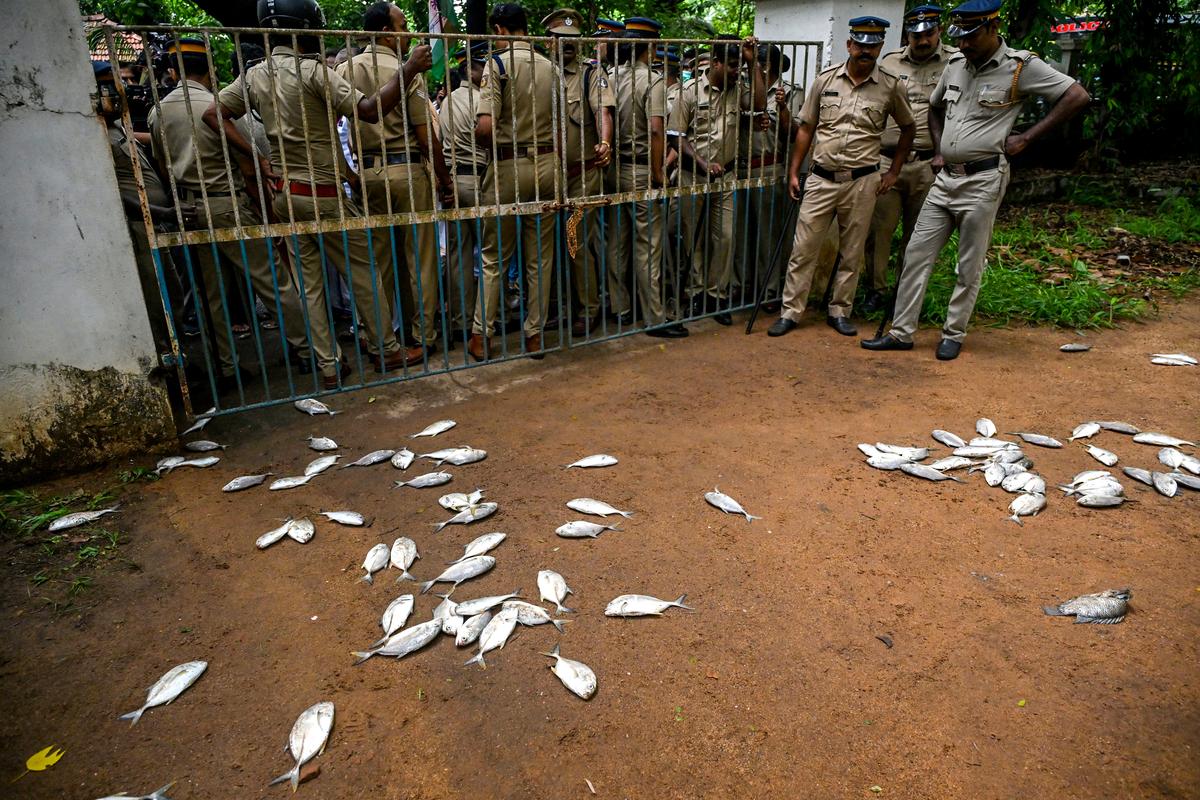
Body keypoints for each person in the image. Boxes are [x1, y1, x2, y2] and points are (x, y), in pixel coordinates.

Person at [203, 0, 435, 389]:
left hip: (285, 196)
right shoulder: (312, 72)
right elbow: (368, 110)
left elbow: (213, 113)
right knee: (365, 271)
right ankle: (387, 349)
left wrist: (259, 158)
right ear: (305, 27)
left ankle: (329, 367)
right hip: (323, 193)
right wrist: (409, 68)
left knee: (309, 286)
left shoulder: (255, 76)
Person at [862, 0, 1089, 359]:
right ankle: (901, 332)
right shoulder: (956, 65)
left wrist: (1027, 138)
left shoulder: (1020, 67)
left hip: (983, 179)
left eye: (971, 37)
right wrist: (940, 148)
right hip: (945, 180)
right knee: (916, 254)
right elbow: (935, 107)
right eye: (960, 37)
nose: (963, 44)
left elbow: (1077, 95)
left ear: (993, 28)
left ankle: (953, 333)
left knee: (968, 263)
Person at [148, 37, 313, 393]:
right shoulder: (218, 107)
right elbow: (249, 168)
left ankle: (226, 366)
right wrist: (267, 214)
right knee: (273, 281)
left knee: (212, 294)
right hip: (229, 203)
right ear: (210, 70)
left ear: (173, 72)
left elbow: (162, 169)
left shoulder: (158, 112)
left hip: (190, 209)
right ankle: (307, 350)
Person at [767, 17, 915, 339]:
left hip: (862, 182)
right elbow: (806, 127)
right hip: (821, 179)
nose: (865, 50)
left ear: (880, 47)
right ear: (849, 45)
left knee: (852, 251)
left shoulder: (891, 85)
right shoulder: (824, 80)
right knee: (803, 249)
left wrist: (893, 171)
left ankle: (839, 310)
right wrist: (794, 171)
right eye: (860, 44)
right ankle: (791, 312)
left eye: (872, 45)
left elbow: (908, 128)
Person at [338, 1, 455, 361]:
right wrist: (444, 178)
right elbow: (425, 134)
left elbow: (334, 129)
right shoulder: (407, 71)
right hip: (407, 171)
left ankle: (381, 339)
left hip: (368, 173)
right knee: (420, 260)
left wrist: (351, 175)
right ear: (387, 33)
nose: (408, 33)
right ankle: (423, 336)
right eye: (403, 26)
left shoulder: (344, 69)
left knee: (378, 263)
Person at [469, 3, 558, 362]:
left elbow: (485, 126)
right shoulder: (550, 66)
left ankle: (482, 336)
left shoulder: (498, 64)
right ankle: (535, 335)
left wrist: (485, 142)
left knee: (494, 256)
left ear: (500, 30)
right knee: (540, 257)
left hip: (508, 165)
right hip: (548, 165)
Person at [861, 5, 957, 314]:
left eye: (929, 34)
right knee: (879, 231)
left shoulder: (956, 61)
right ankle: (876, 290)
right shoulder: (889, 62)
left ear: (939, 31)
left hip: (929, 164)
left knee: (918, 234)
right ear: (907, 36)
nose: (923, 41)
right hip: (887, 161)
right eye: (917, 36)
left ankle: (904, 293)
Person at [669, 35, 766, 326]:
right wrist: (701, 163)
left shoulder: (739, 89)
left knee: (724, 237)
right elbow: (676, 136)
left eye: (740, 66)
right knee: (694, 239)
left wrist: (752, 62)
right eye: (733, 65)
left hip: (726, 176)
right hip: (693, 176)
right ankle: (696, 293)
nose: (738, 71)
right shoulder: (689, 92)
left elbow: (760, 103)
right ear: (715, 63)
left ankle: (717, 296)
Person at [606, 17, 686, 338]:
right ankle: (654, 317)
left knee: (617, 242)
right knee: (648, 247)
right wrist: (657, 171)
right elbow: (655, 130)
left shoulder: (611, 76)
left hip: (614, 169)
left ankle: (621, 308)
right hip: (641, 169)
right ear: (650, 47)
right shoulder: (653, 81)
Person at [541, 8, 617, 338]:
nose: (568, 45)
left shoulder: (591, 74)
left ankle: (588, 308)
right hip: (548, 175)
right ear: (549, 41)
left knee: (578, 243)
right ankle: (560, 307)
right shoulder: (539, 72)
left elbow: (603, 111)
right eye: (561, 39)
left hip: (582, 175)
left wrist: (605, 141)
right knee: (549, 247)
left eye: (572, 39)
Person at [741, 44, 804, 306]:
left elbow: (796, 133)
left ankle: (769, 290)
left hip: (768, 167)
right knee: (742, 234)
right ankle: (743, 289)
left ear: (768, 65)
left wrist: (783, 108)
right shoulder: (744, 88)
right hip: (739, 169)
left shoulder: (790, 92)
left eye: (757, 62)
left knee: (768, 235)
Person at [439, 42, 490, 341]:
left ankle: (461, 321)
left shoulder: (446, 102)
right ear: (470, 70)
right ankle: (488, 319)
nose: (487, 73)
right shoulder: (484, 100)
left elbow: (438, 142)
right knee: (491, 253)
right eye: (483, 67)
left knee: (459, 255)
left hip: (454, 181)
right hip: (481, 180)